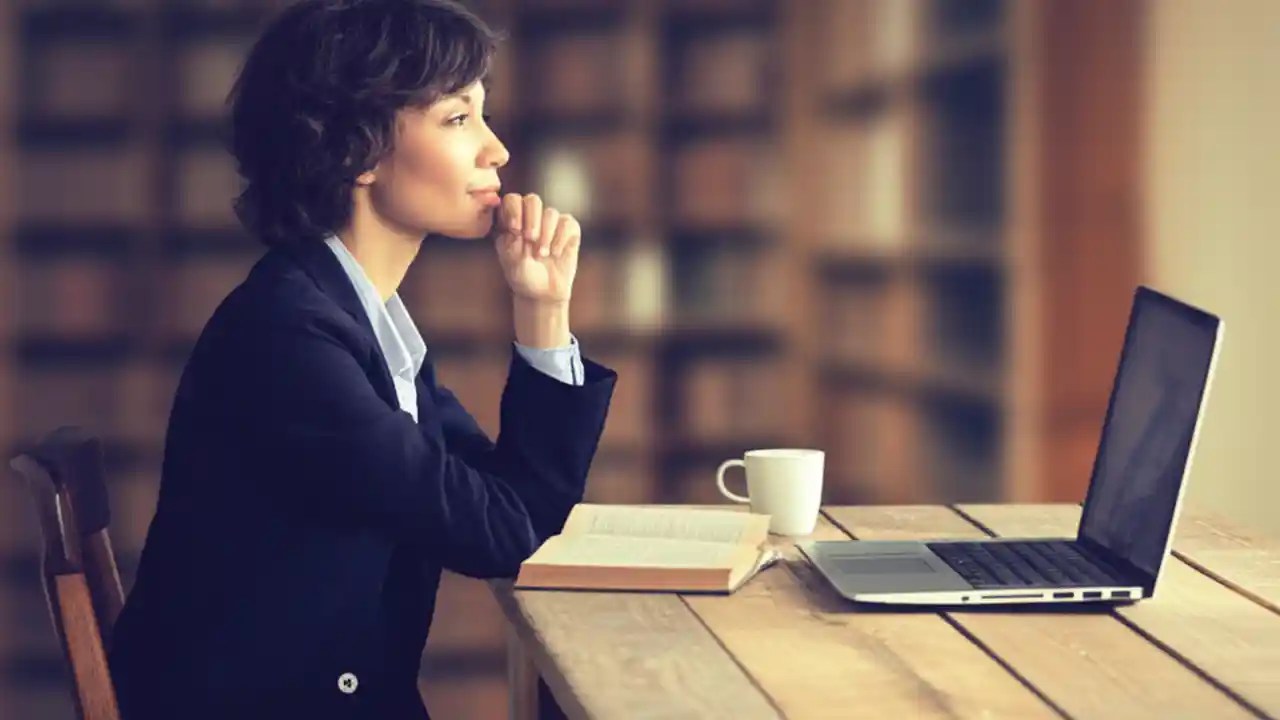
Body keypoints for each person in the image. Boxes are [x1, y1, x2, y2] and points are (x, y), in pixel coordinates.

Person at [107, 1, 617, 717]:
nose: (495, 150)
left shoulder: (357, 320)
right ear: (359, 149)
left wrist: (541, 310)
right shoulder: (289, 339)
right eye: (458, 118)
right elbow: (506, 536)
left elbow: (514, 510)